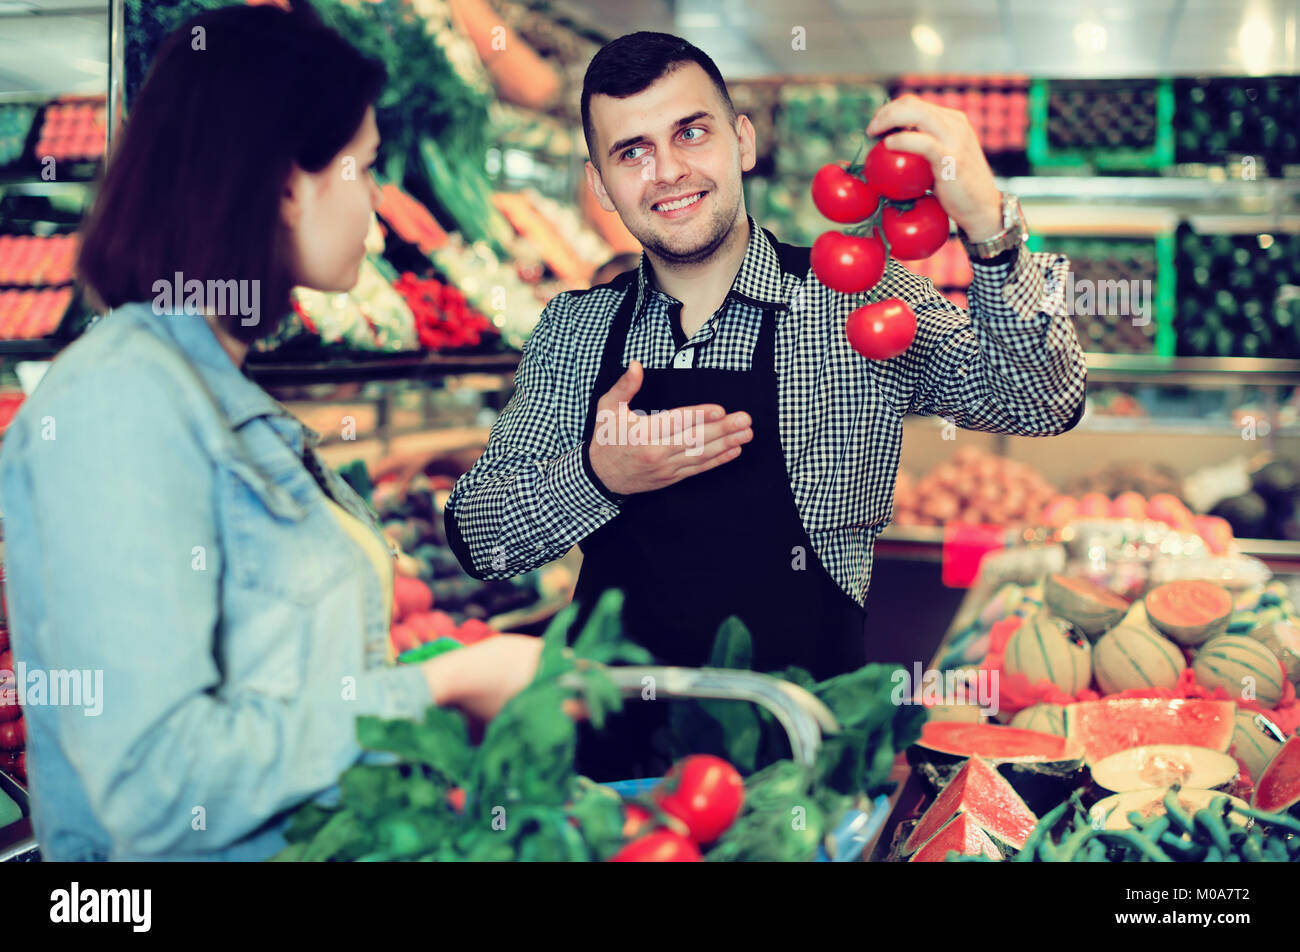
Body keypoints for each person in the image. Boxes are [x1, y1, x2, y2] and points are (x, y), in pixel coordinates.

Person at [446, 32, 1087, 776]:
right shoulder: (576, 330)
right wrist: (599, 477)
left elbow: (1046, 401)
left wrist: (989, 227)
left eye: (691, 132)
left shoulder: (856, 298)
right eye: (633, 152)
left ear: (741, 140)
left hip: (808, 767)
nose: (668, 171)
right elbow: (481, 541)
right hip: (615, 790)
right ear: (600, 185)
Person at [0, 2, 543, 861]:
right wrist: (444, 686)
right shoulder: (122, 406)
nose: (372, 201)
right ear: (289, 185)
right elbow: (159, 785)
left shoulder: (215, 389)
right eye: (362, 167)